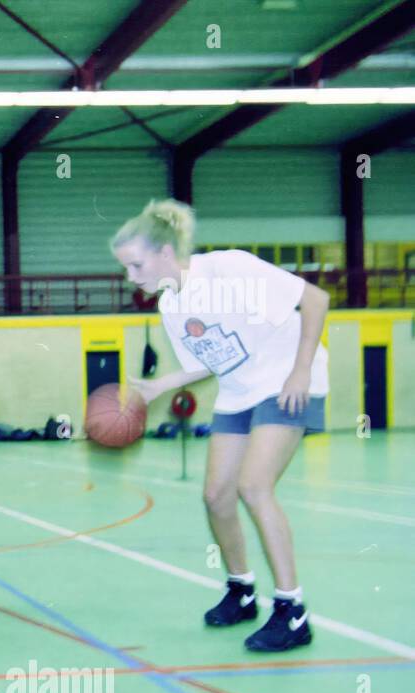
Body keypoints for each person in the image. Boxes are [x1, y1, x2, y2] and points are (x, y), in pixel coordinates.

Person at [112, 199, 329, 652]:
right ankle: (242, 590)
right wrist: (161, 385)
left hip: (285, 379)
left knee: (254, 486)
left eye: (136, 265)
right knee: (216, 496)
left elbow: (315, 299)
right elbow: (209, 361)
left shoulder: (228, 269)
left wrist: (302, 370)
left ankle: (292, 610)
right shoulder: (171, 305)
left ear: (165, 253)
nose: (131, 277)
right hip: (238, 390)